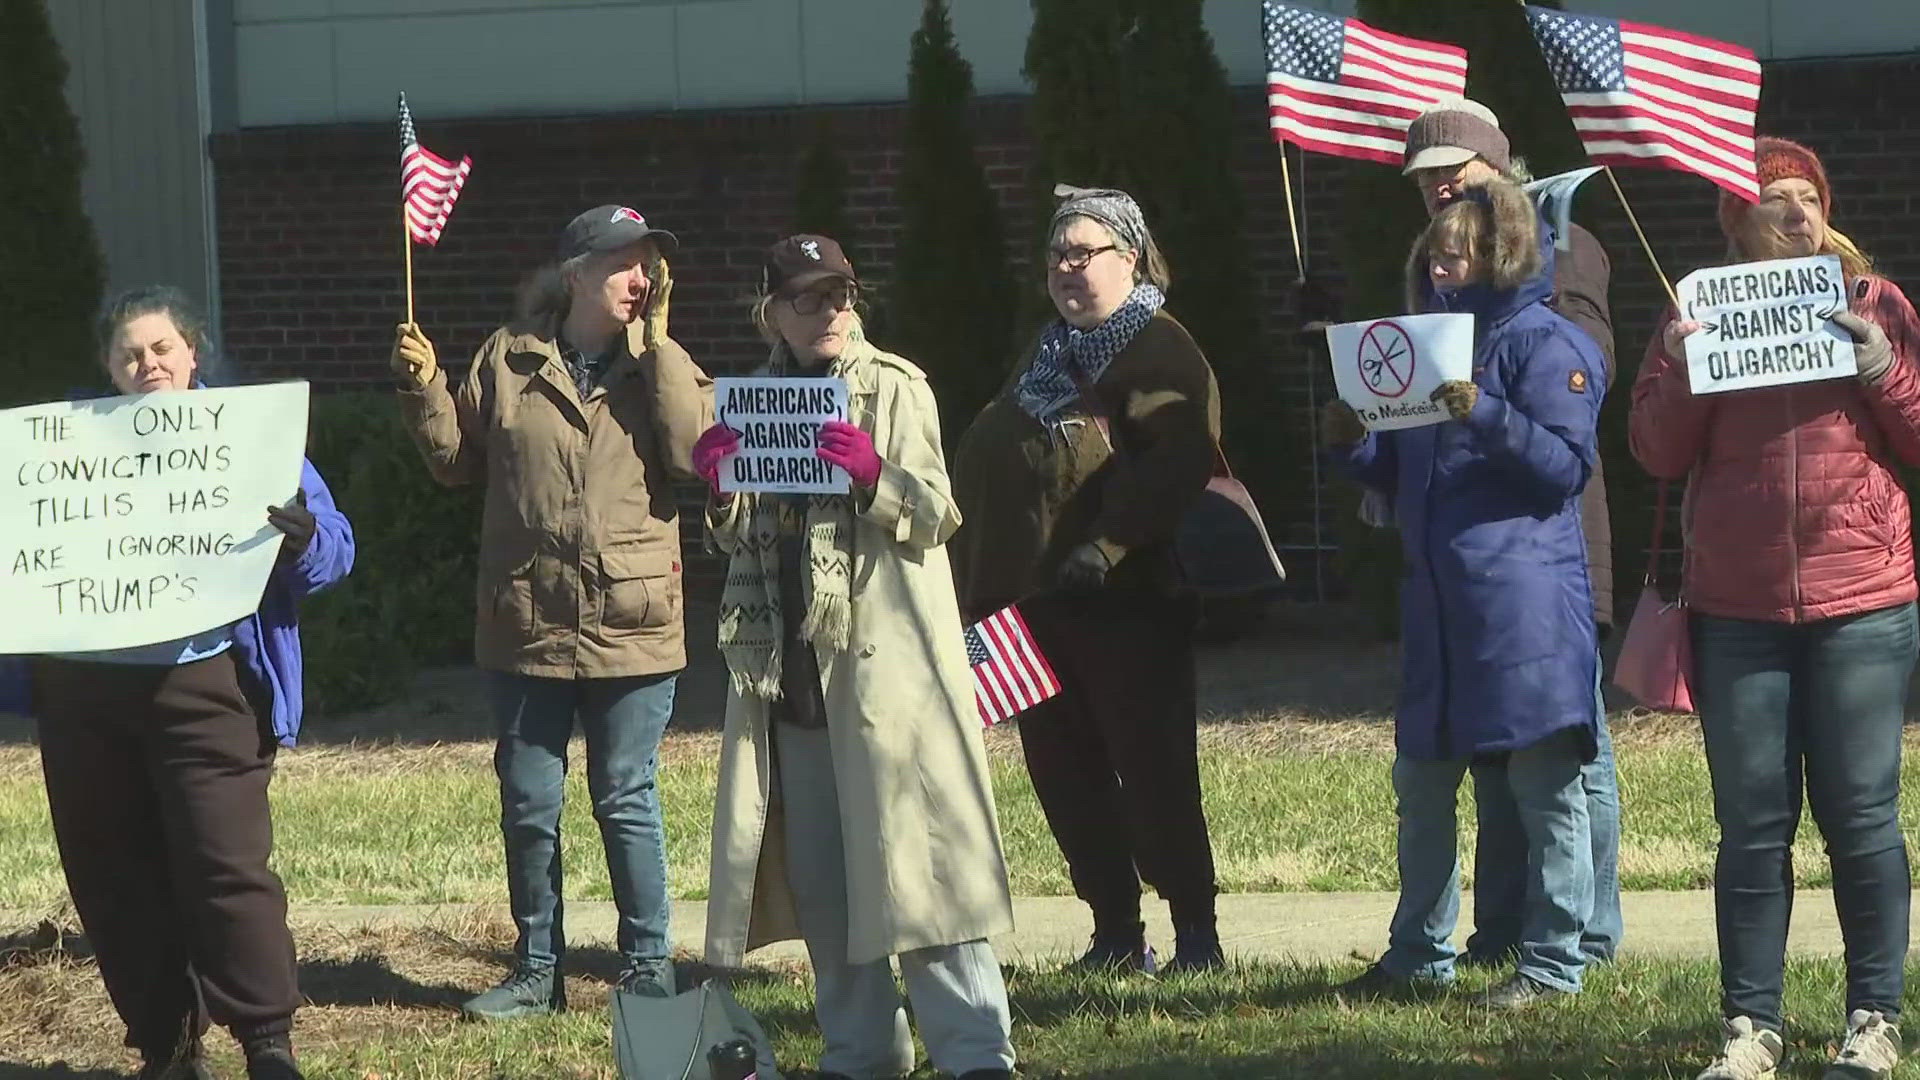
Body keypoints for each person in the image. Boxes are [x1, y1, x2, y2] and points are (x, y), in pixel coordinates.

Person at [1630, 137, 1920, 1080]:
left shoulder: (1872, 303)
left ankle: (1873, 1019)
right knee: (1752, 823)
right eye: (1773, 199)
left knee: (1863, 816)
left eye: (1808, 196)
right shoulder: (1700, 310)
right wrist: (1678, 362)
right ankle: (1750, 1026)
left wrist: (1882, 368)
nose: (1795, 212)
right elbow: (1655, 453)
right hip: (1738, 608)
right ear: (1737, 222)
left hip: (1863, 601)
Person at [700, 235, 1016, 1080]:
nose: (832, 310)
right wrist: (722, 489)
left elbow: (939, 511)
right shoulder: (753, 400)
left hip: (887, 677)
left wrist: (873, 476)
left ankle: (976, 1052)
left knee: (924, 875)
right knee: (829, 888)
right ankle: (862, 1052)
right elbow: (737, 539)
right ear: (770, 311)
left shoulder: (895, 386)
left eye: (841, 294)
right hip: (792, 681)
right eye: (809, 297)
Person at [391, 205, 712, 1019]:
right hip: (527, 619)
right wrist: (424, 386)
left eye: (648, 265)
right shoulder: (508, 358)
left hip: (633, 621)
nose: (640, 279)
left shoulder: (661, 366)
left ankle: (646, 969)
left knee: (625, 794)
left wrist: (661, 349)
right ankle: (538, 971)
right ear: (575, 276)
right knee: (530, 799)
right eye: (623, 264)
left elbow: (692, 454)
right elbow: (456, 463)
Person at [29, 286, 355, 1080]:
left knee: (226, 866)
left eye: (161, 349)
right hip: (84, 697)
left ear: (193, 353)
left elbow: (338, 550)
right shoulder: (58, 446)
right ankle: (168, 1049)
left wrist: (301, 542)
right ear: (107, 367)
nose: (147, 365)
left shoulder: (245, 438)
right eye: (129, 354)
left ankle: (267, 1042)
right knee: (112, 873)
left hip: (205, 685)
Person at [1324, 180, 1605, 1010]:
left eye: (1464, 246)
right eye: (1436, 246)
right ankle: (1418, 955)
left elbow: (1564, 468)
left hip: (1525, 598)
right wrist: (1355, 449)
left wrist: (1486, 414)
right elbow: (1408, 468)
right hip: (1440, 602)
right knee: (1421, 785)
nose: (1444, 259)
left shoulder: (1549, 345)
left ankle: (1554, 964)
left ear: (1507, 250)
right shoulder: (1425, 342)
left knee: (1545, 785)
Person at [949, 186, 1223, 974]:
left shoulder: (1160, 348)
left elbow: (1176, 465)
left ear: (1129, 259)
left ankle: (1197, 939)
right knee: (1065, 776)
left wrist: (1102, 551)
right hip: (1029, 613)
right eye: (1057, 254)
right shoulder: (1045, 350)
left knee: (1155, 774)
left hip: (1126, 604)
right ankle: (1115, 934)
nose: (1068, 268)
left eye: (1086, 252)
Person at [1400, 96, 1623, 969]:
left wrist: (1491, 394)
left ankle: (1585, 939)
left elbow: (1583, 368)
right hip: (1463, 541)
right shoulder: (1439, 266)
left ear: (1499, 165)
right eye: (1424, 178)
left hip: (1552, 539)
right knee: (1496, 753)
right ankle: (1505, 929)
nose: (1440, 186)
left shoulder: (1560, 245)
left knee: (1569, 746)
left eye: (1455, 168)